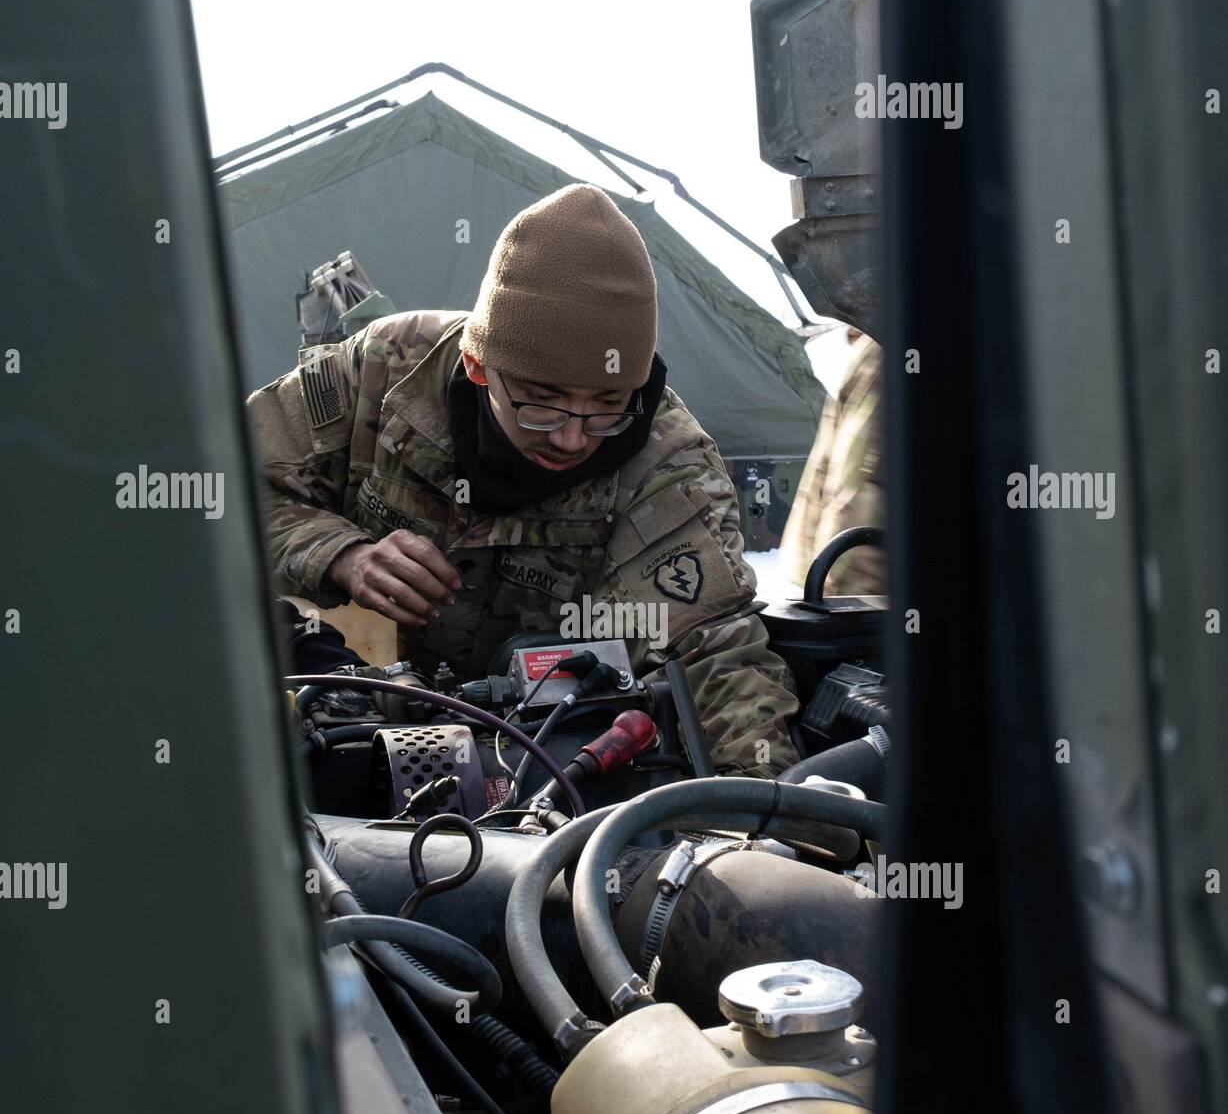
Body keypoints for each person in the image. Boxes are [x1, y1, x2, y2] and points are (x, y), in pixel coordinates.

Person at [246, 183, 800, 775]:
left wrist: (769, 825)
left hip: (562, 752)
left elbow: (717, 657)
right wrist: (342, 554)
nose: (572, 438)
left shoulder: (667, 464)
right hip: (367, 721)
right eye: (542, 403)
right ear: (479, 366)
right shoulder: (385, 373)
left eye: (608, 405)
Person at [779, 330, 885, 597]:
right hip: (857, 557)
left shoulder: (873, 351)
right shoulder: (880, 353)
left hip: (846, 550)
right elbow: (859, 472)